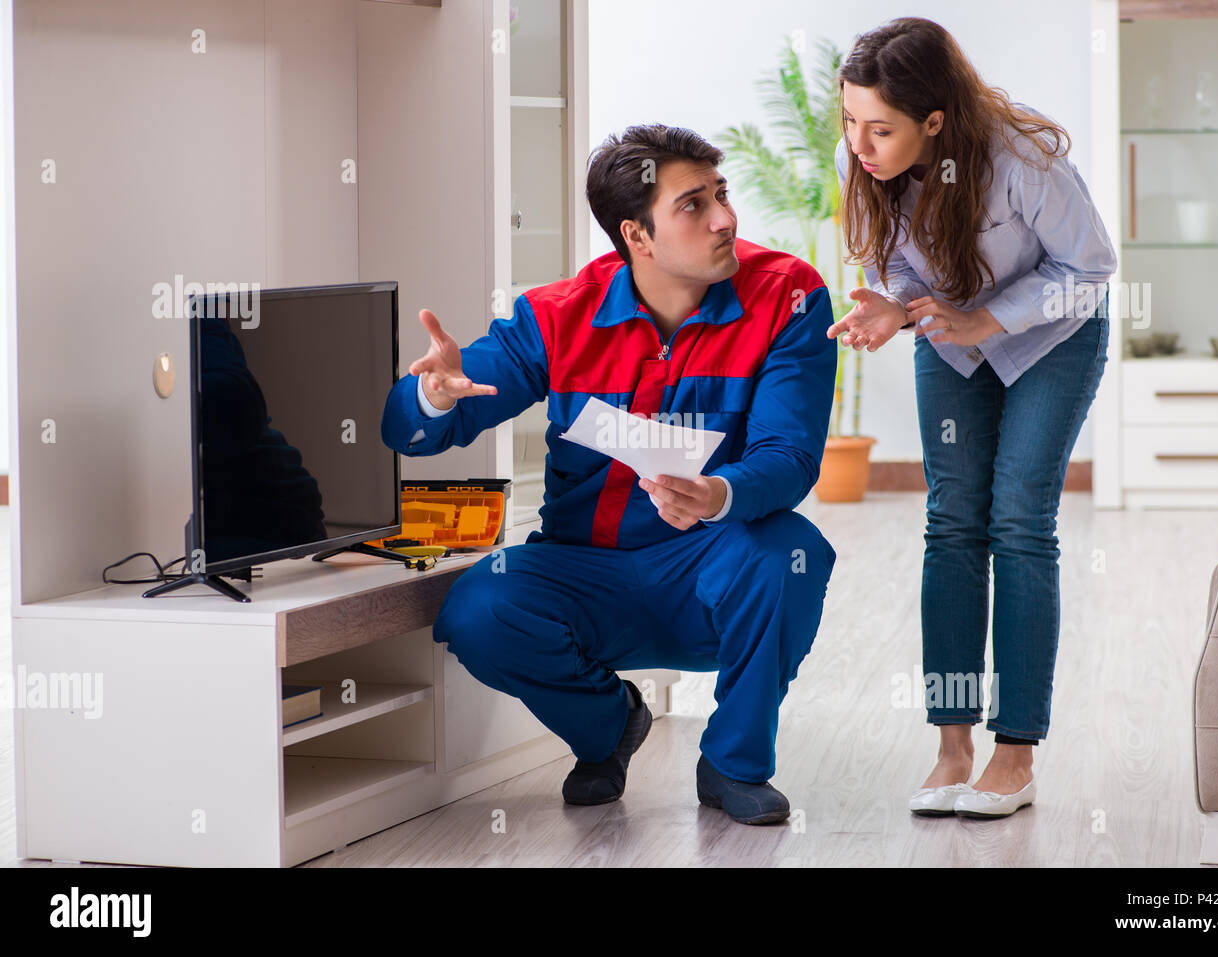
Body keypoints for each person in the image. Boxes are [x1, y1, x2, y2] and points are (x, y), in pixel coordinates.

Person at [381, 124, 838, 825]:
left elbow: (791, 454)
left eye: (721, 193)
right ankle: (608, 728)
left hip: (708, 558)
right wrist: (435, 396)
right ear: (637, 236)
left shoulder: (789, 297)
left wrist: (718, 494)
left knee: (792, 554)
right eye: (694, 204)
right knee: (477, 609)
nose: (725, 217)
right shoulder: (556, 316)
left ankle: (732, 764)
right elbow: (404, 430)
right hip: (583, 568)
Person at [828, 18, 1115, 819]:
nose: (861, 143)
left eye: (879, 128)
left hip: (1052, 336)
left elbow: (1089, 267)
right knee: (953, 522)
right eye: (850, 122)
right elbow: (892, 260)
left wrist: (991, 321)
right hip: (951, 342)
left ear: (935, 119)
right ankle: (952, 746)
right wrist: (888, 307)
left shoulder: (1022, 156)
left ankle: (1015, 752)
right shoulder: (876, 162)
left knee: (1019, 518)